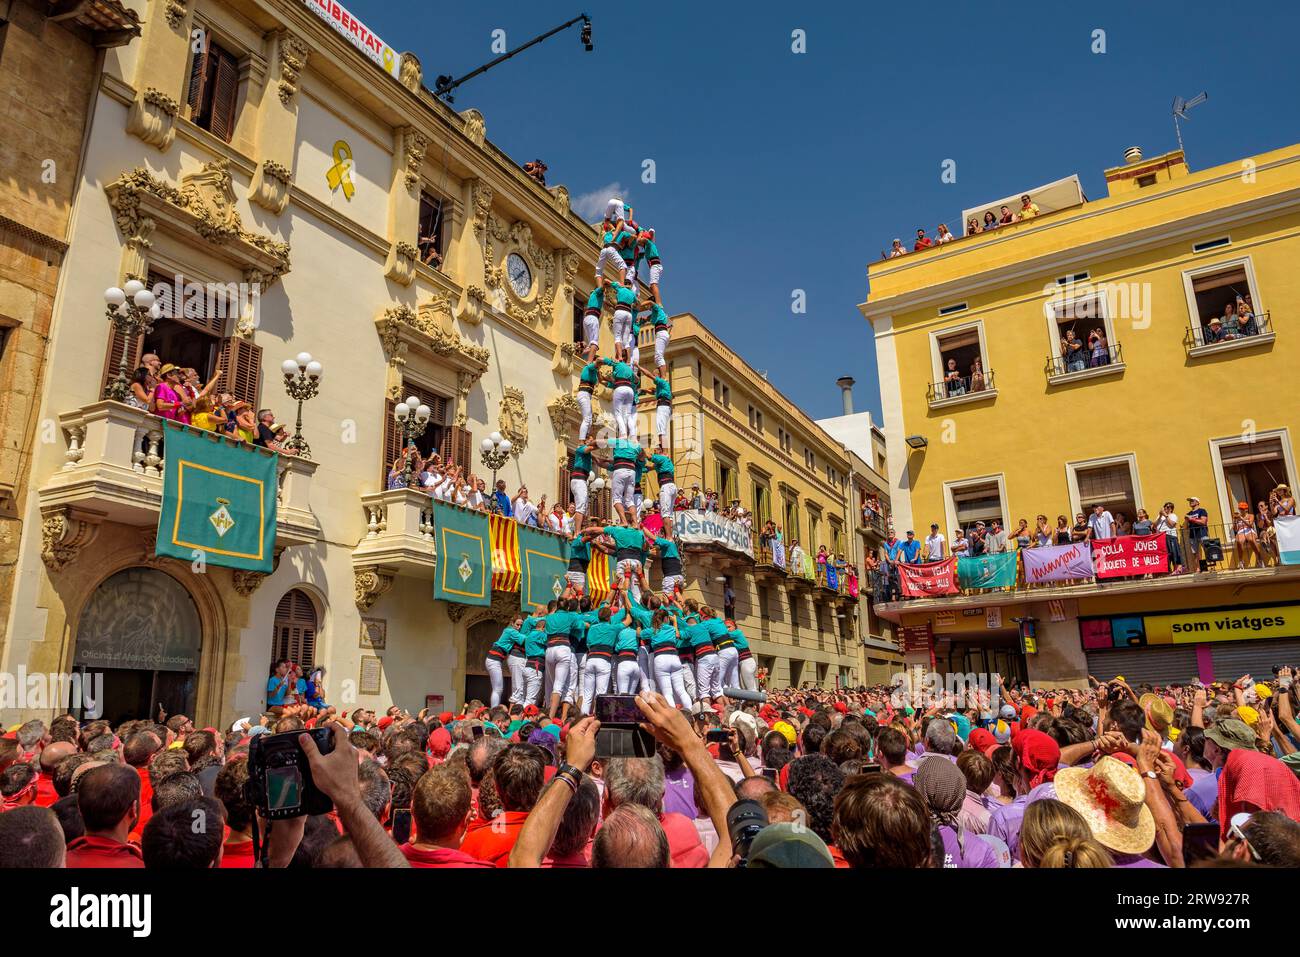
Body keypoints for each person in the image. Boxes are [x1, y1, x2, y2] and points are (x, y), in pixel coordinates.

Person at [1185, 496, 1209, 570]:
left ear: (1197, 502)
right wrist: (1186, 521)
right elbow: (1186, 527)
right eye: (1190, 501)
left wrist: (1192, 519)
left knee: (1207, 550)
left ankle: (1210, 566)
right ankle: (1198, 568)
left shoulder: (1202, 511)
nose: (1191, 502)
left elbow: (1203, 522)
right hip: (1192, 535)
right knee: (1195, 552)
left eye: (1192, 500)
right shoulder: (1188, 513)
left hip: (1202, 533)